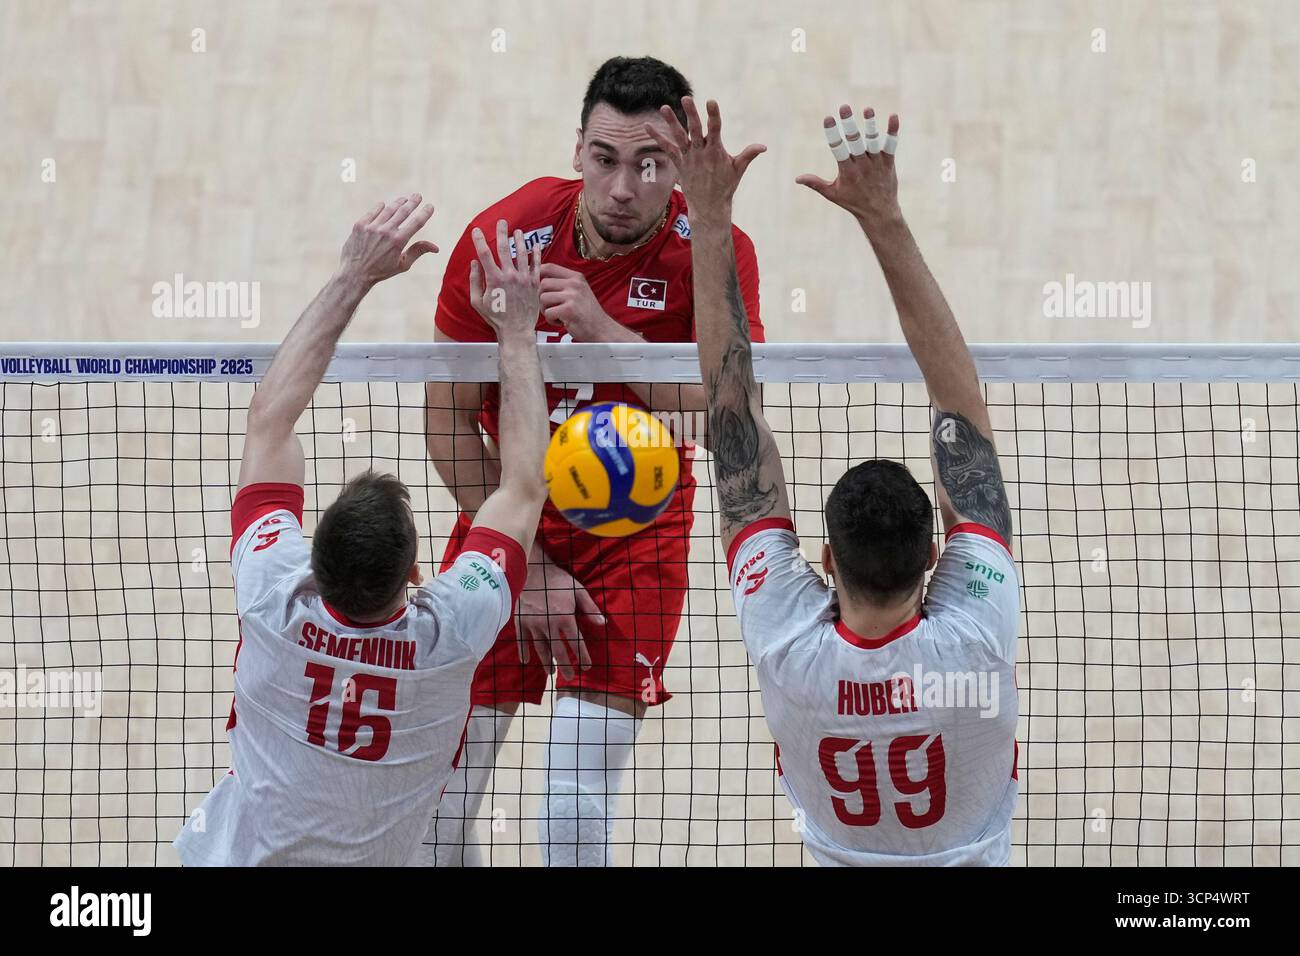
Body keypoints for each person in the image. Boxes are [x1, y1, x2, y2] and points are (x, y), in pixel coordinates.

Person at [649, 97, 1020, 865]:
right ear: (933, 559)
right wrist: (883, 219)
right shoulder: (977, 641)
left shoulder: (787, 644)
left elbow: (730, 419)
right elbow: (962, 405)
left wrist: (709, 223)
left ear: (824, 559)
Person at [423, 57, 766, 866]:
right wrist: (527, 565)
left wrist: (607, 332)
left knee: (571, 819)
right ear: (576, 148)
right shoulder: (499, 241)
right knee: (437, 811)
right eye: (605, 159)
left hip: (635, 534)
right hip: (507, 521)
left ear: (678, 165)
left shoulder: (716, 257)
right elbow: (444, 431)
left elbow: (732, 425)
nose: (623, 187)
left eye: (649, 164)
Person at [174, 198, 550, 865]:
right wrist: (517, 334)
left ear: (311, 560)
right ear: (415, 575)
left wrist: (354, 274)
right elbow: (521, 486)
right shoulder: (450, 633)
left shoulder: (271, 593)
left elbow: (269, 421)